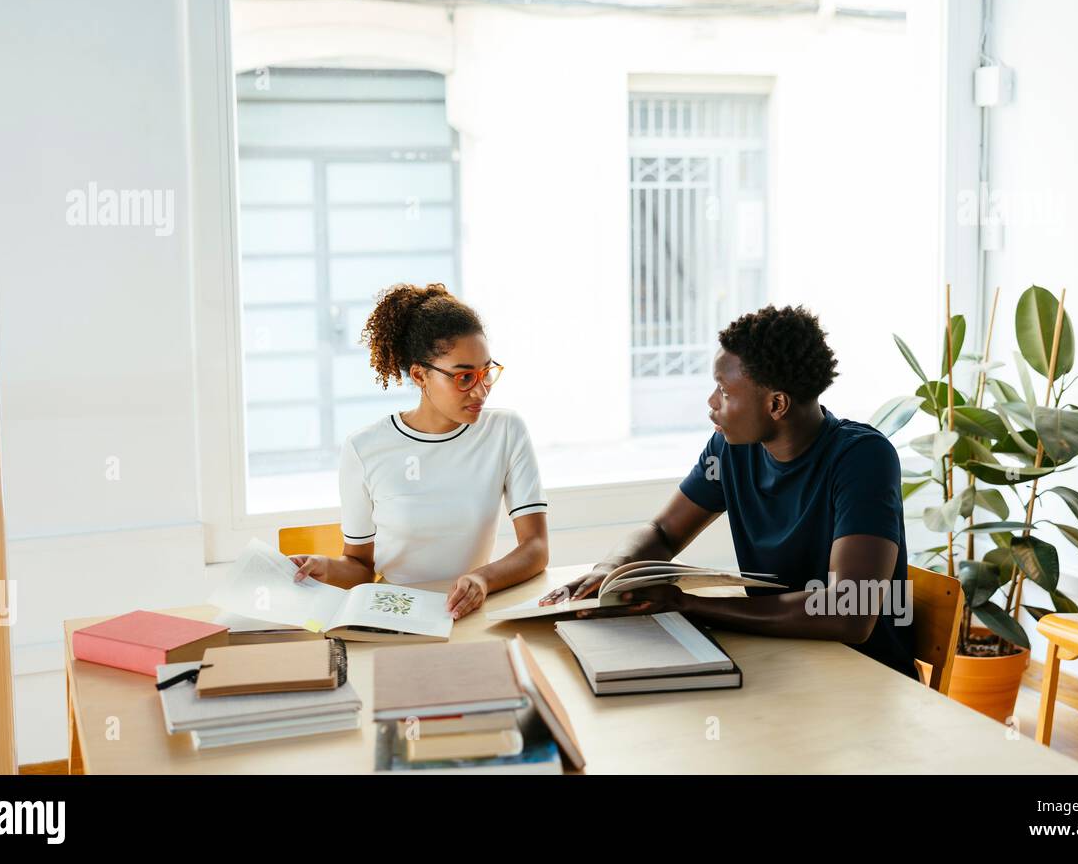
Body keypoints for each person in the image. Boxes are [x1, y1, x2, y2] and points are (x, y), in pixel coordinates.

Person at [544, 304, 917, 678]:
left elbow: (850, 611)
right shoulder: (731, 449)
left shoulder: (862, 458)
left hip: (864, 675)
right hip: (784, 658)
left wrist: (689, 605)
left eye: (723, 390)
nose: (711, 402)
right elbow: (662, 532)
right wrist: (610, 570)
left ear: (776, 404)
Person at [289, 283, 549, 620]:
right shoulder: (365, 449)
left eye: (486, 372)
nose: (481, 390)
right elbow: (359, 567)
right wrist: (324, 567)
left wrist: (482, 579)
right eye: (464, 377)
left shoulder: (505, 431)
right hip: (395, 615)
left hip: (468, 613)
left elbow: (536, 548)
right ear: (419, 376)